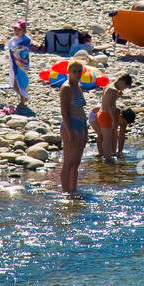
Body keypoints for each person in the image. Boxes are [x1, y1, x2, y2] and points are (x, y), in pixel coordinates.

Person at [59, 60, 91, 192]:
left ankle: (74, 190)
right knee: (68, 162)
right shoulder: (66, 88)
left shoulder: (78, 86)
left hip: (81, 124)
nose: (77, 74)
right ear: (69, 72)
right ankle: (65, 192)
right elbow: (64, 112)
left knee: (76, 163)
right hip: (71, 125)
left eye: (79, 71)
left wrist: (86, 129)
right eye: (74, 71)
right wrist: (70, 131)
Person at [91, 74, 133, 159]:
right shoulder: (113, 90)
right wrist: (114, 120)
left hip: (102, 112)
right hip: (105, 115)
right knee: (107, 138)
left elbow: (107, 100)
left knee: (108, 137)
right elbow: (110, 106)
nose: (123, 89)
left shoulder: (108, 86)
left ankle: (106, 155)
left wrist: (116, 96)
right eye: (124, 87)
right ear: (123, 82)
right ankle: (107, 158)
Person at [5, 21, 32, 111]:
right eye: (15, 29)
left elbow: (21, 49)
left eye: (19, 29)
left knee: (20, 80)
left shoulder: (25, 40)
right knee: (14, 81)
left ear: (24, 30)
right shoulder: (13, 40)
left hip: (21, 64)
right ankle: (23, 97)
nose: (16, 31)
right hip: (13, 63)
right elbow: (9, 47)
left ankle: (23, 98)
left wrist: (14, 49)